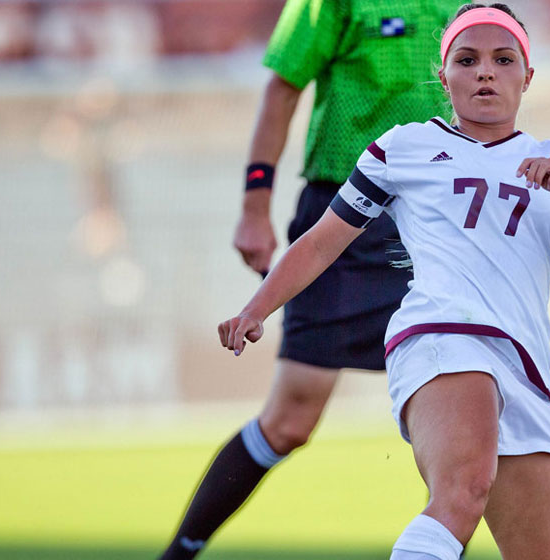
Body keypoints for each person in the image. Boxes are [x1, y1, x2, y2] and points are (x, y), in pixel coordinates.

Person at [218, 4, 550, 558]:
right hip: (443, 337)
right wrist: (256, 308)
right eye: (467, 60)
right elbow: (322, 241)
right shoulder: (404, 147)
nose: (485, 71)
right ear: (444, 78)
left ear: (527, 75)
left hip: (526, 367)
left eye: (502, 59)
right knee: (462, 492)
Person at [159, 1, 462, 558]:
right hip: (341, 220)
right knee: (290, 420)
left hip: (436, 224)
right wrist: (255, 206)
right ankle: (179, 552)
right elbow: (282, 88)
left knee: (459, 428)